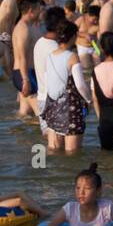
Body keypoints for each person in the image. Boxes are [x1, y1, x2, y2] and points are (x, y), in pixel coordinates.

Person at [39, 163, 113, 226]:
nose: (81, 192)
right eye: (78, 188)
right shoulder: (69, 209)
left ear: (98, 191)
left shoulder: (106, 208)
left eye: (87, 188)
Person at [41, 18, 92, 154]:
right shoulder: (72, 57)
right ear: (73, 37)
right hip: (71, 110)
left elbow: (47, 83)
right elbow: (80, 85)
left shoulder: (50, 56)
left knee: (54, 150)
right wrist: (89, 100)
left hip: (52, 108)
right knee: (72, 154)